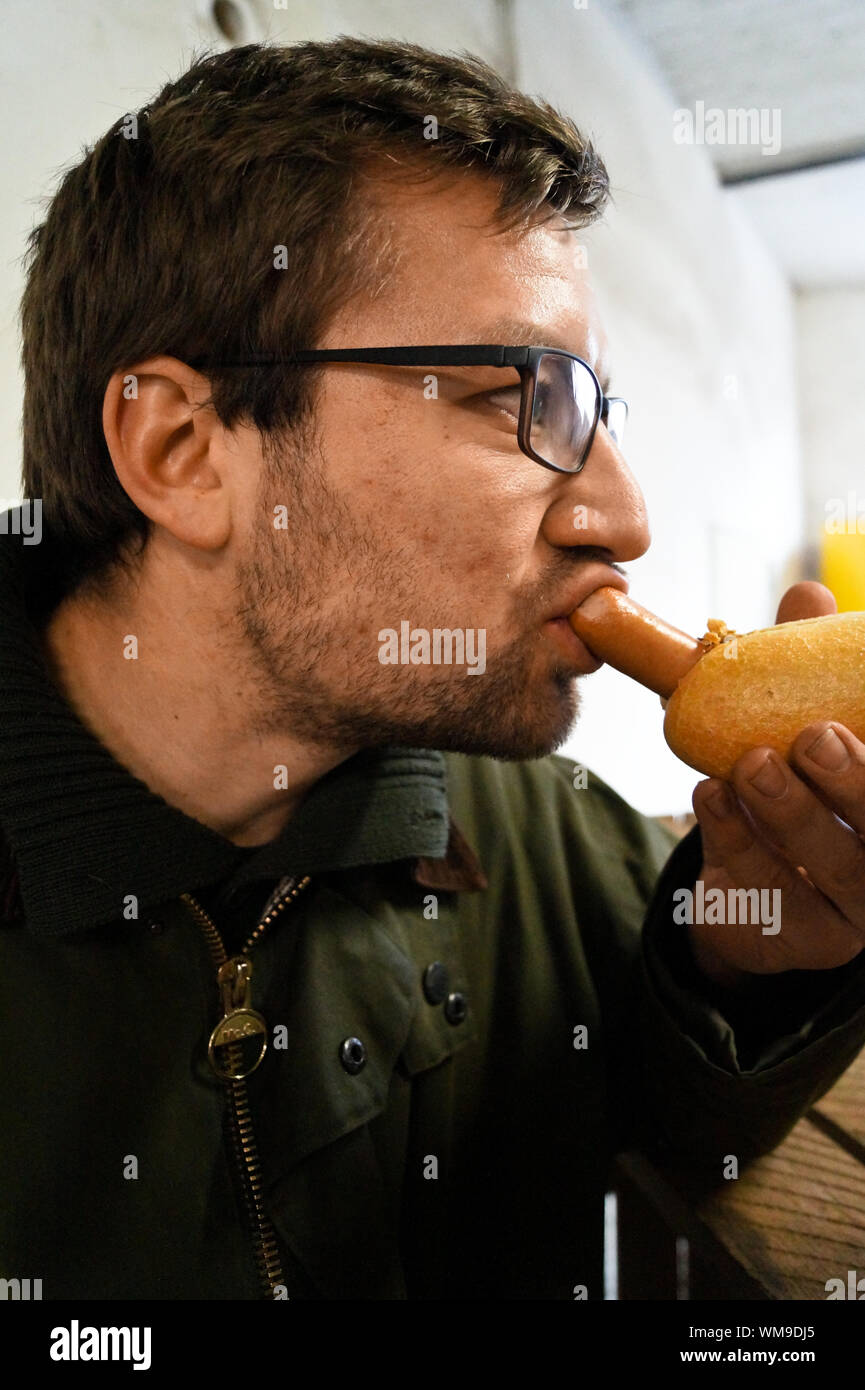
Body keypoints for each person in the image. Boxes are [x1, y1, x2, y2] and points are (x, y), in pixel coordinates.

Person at [3, 36, 865, 1302]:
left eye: (596, 412)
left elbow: (660, 1118)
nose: (622, 518)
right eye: (523, 394)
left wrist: (746, 957)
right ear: (184, 449)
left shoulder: (545, 830)